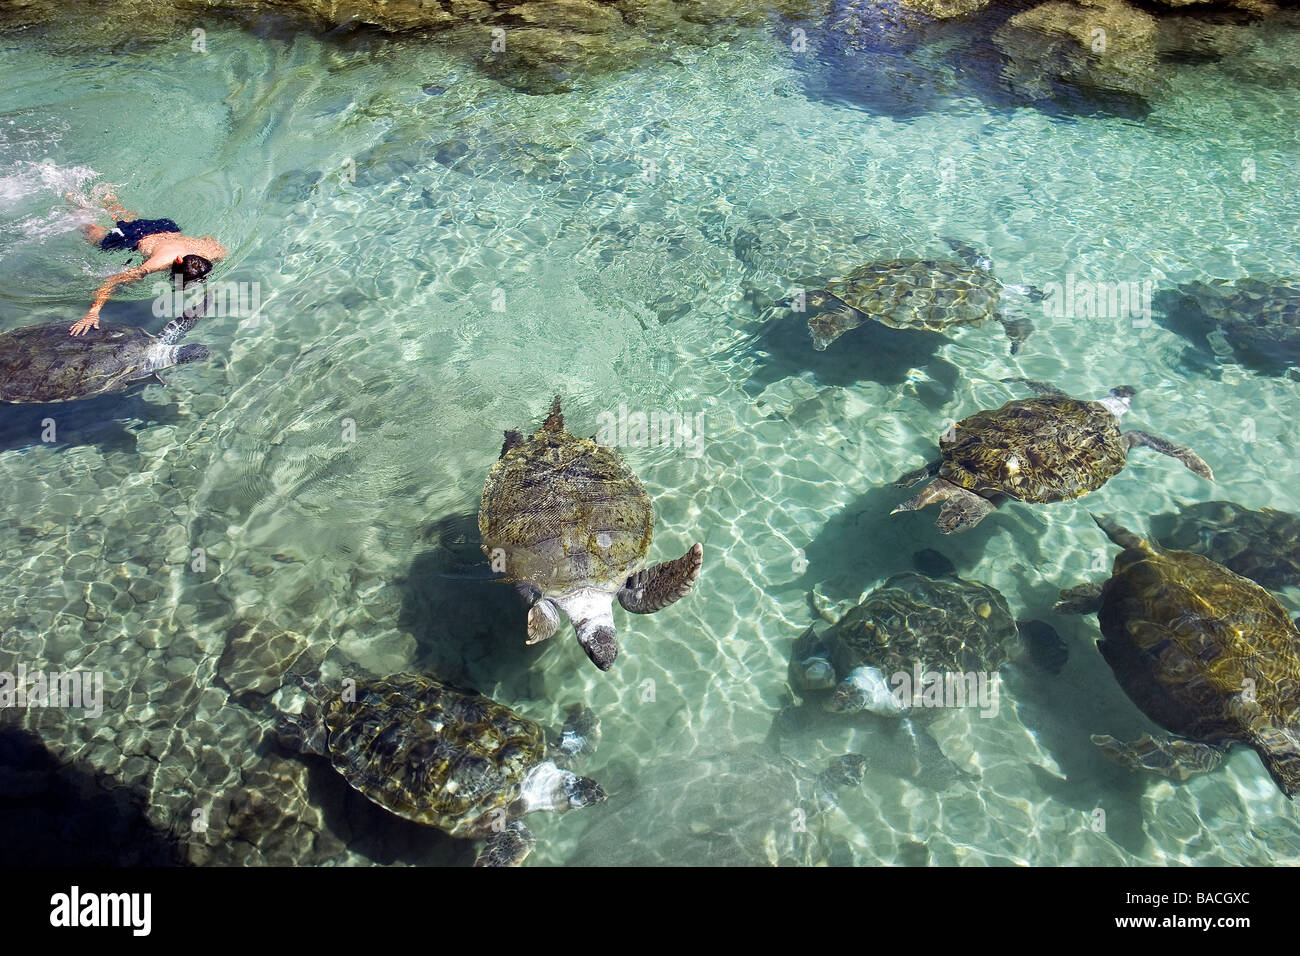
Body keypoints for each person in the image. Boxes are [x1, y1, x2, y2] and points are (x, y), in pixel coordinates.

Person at [68, 190, 227, 335]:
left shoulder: (210, 252)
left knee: (129, 220)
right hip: (135, 237)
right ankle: (74, 206)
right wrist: (93, 312)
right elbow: (112, 281)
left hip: (167, 227)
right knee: (93, 234)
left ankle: (108, 197)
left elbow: (212, 242)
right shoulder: (155, 264)